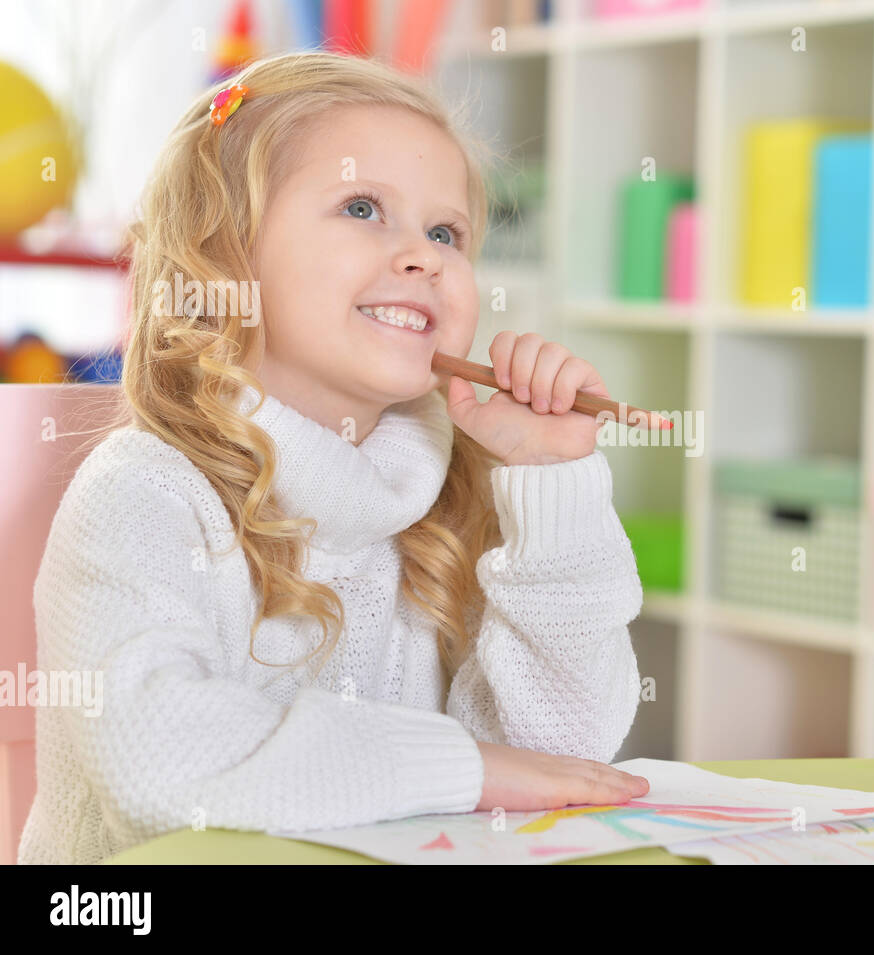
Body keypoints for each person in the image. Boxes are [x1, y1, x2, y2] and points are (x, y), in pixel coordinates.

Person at [19, 50, 649, 865]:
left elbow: (556, 752)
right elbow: (159, 759)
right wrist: (460, 767)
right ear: (224, 258)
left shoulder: (438, 493)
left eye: (446, 231)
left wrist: (552, 478)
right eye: (361, 207)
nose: (424, 255)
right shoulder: (142, 492)